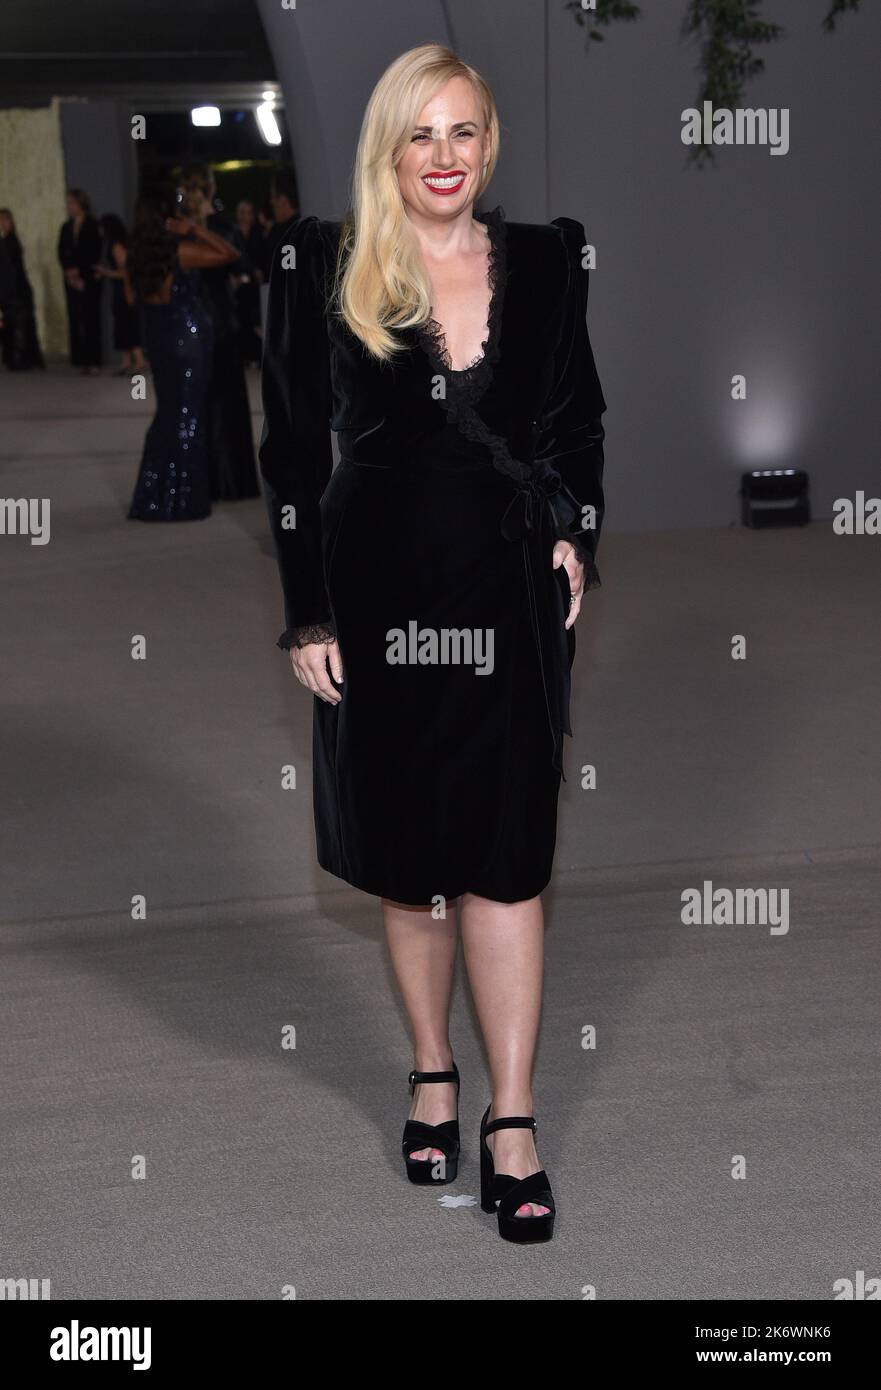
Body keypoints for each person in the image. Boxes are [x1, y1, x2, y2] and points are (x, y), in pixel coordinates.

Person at [259, 44, 607, 1244]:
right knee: (415, 864)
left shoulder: (549, 265)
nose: (445, 156)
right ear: (388, 150)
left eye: (464, 132)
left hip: (505, 594)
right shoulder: (326, 269)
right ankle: (429, 1071)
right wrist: (308, 608)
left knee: (507, 861)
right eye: (421, 134)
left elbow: (574, 423)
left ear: (487, 143)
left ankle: (510, 1120)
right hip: (379, 593)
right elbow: (295, 458)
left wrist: (573, 533)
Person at [125, 187, 238, 521]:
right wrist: (195, 229)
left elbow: (133, 299)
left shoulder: (136, 257)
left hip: (158, 339)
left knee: (167, 414)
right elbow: (228, 253)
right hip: (188, 340)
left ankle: (153, 497)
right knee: (189, 418)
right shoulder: (180, 252)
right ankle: (184, 500)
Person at [179, 165, 259, 500]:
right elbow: (240, 264)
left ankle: (208, 479)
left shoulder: (185, 231)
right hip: (218, 320)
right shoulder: (219, 228)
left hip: (195, 320)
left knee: (201, 400)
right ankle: (232, 481)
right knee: (226, 401)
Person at [57, 189, 103, 372]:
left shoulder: (92, 224)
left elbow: (93, 250)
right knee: (76, 317)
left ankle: (94, 360)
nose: (70, 207)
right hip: (71, 278)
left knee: (91, 318)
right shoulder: (66, 227)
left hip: (89, 277)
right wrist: (69, 270)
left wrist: (80, 270)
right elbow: (61, 251)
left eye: (72, 203)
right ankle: (81, 359)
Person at [96, 214, 145, 375]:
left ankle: (138, 361)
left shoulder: (116, 246)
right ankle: (126, 362)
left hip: (123, 289)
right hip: (121, 289)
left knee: (128, 324)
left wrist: (106, 272)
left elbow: (125, 273)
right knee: (122, 325)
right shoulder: (115, 244)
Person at [0, 208, 45, 371]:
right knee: (14, 326)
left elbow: (13, 271)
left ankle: (21, 359)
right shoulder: (6, 242)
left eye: (5, 219)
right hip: (10, 291)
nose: (2, 223)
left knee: (19, 326)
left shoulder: (10, 242)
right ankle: (19, 358)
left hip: (16, 291)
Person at [234, 199, 265, 365]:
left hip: (255, 282)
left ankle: (259, 354)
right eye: (241, 212)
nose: (244, 216)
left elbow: (261, 254)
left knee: (257, 317)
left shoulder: (258, 232)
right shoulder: (234, 233)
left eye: (247, 212)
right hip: (239, 283)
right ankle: (247, 355)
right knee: (243, 318)